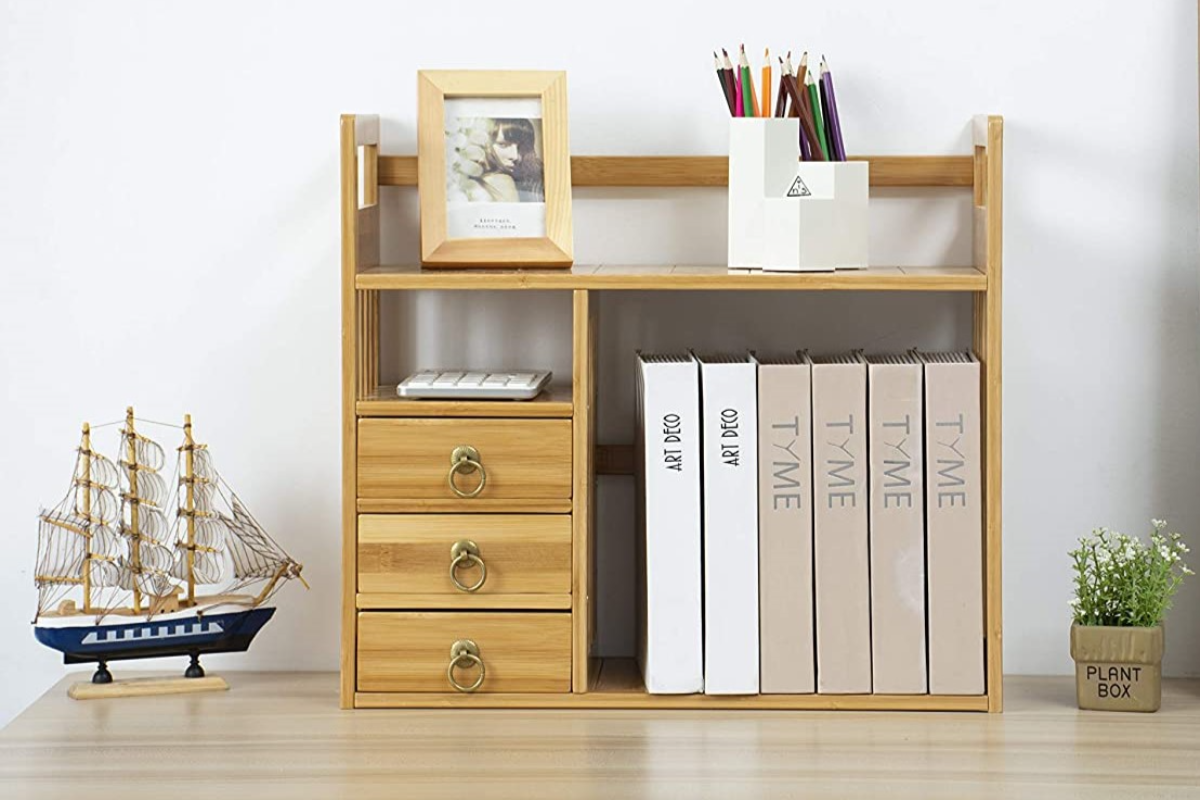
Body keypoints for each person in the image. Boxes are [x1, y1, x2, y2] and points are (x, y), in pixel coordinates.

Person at [452, 118, 544, 203]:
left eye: (521, 146)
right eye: (503, 145)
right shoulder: (495, 182)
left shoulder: (537, 181)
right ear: (484, 145)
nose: (515, 156)